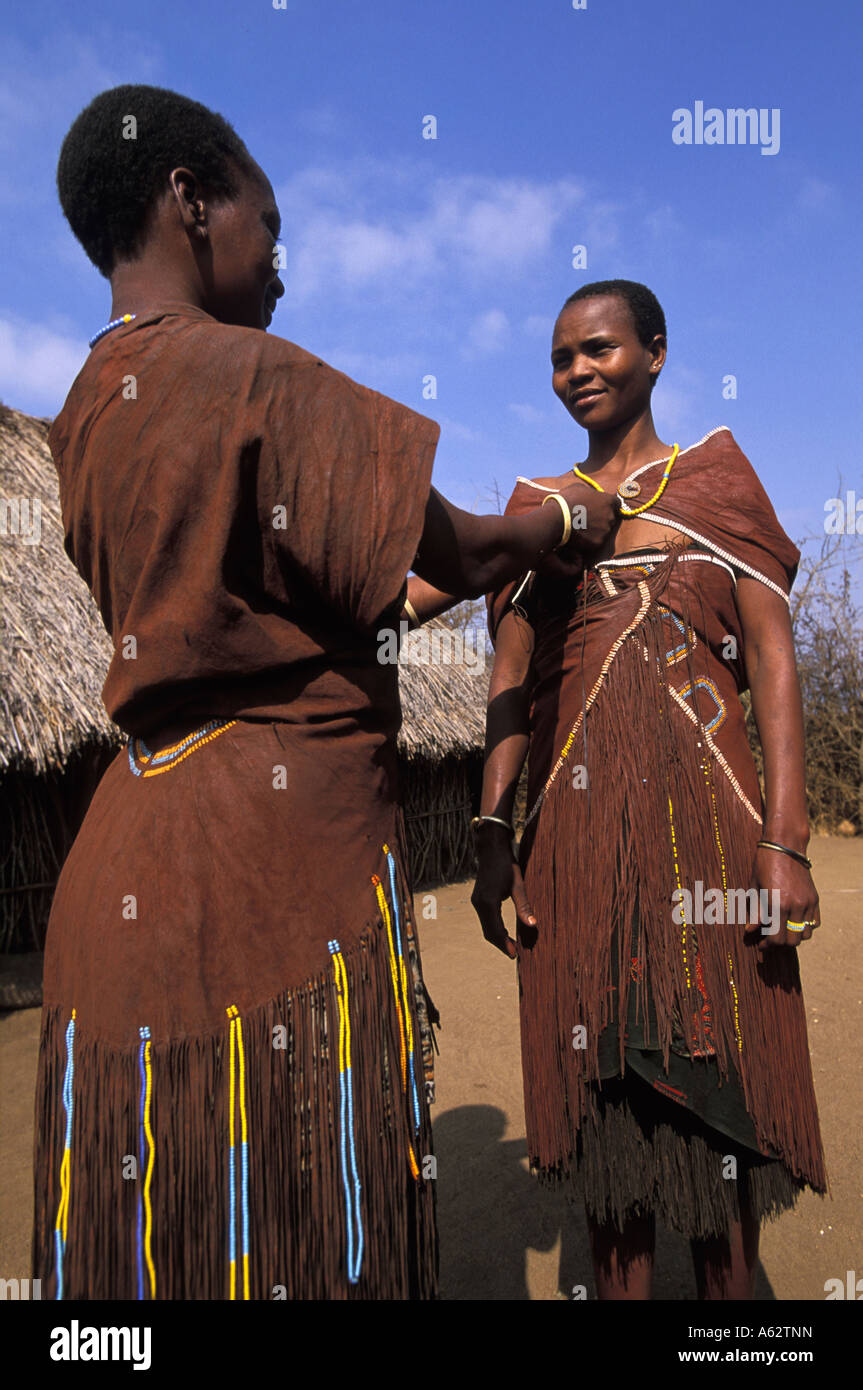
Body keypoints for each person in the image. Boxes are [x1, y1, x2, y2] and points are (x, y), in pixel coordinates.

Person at [32, 85, 617, 1301]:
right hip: (263, 880)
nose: (282, 269)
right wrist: (556, 518)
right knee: (303, 1197)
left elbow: (287, 605)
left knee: (159, 1223)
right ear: (189, 201)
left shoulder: (83, 414)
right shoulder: (251, 376)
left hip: (119, 874)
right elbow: (451, 550)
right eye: (270, 225)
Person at [471, 279, 827, 1300]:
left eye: (597, 350)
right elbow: (508, 684)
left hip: (711, 845)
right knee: (606, 1154)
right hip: (574, 849)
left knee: (721, 1129)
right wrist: (493, 827)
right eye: (558, 358)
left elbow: (771, 662)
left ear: (656, 352)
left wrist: (785, 839)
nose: (575, 371)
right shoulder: (539, 513)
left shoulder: (716, 483)